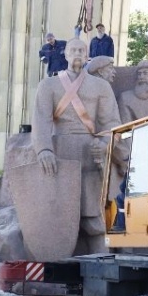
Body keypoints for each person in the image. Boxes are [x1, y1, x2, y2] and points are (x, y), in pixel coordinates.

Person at [32, 37, 121, 253]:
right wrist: (44, 149)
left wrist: (105, 142)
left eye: (82, 50)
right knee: (59, 220)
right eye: (73, 50)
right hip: (60, 155)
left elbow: (111, 122)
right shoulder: (48, 85)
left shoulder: (101, 86)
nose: (78, 53)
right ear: (65, 54)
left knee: (94, 220)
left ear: (87, 53)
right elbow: (41, 120)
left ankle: (102, 262)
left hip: (90, 154)